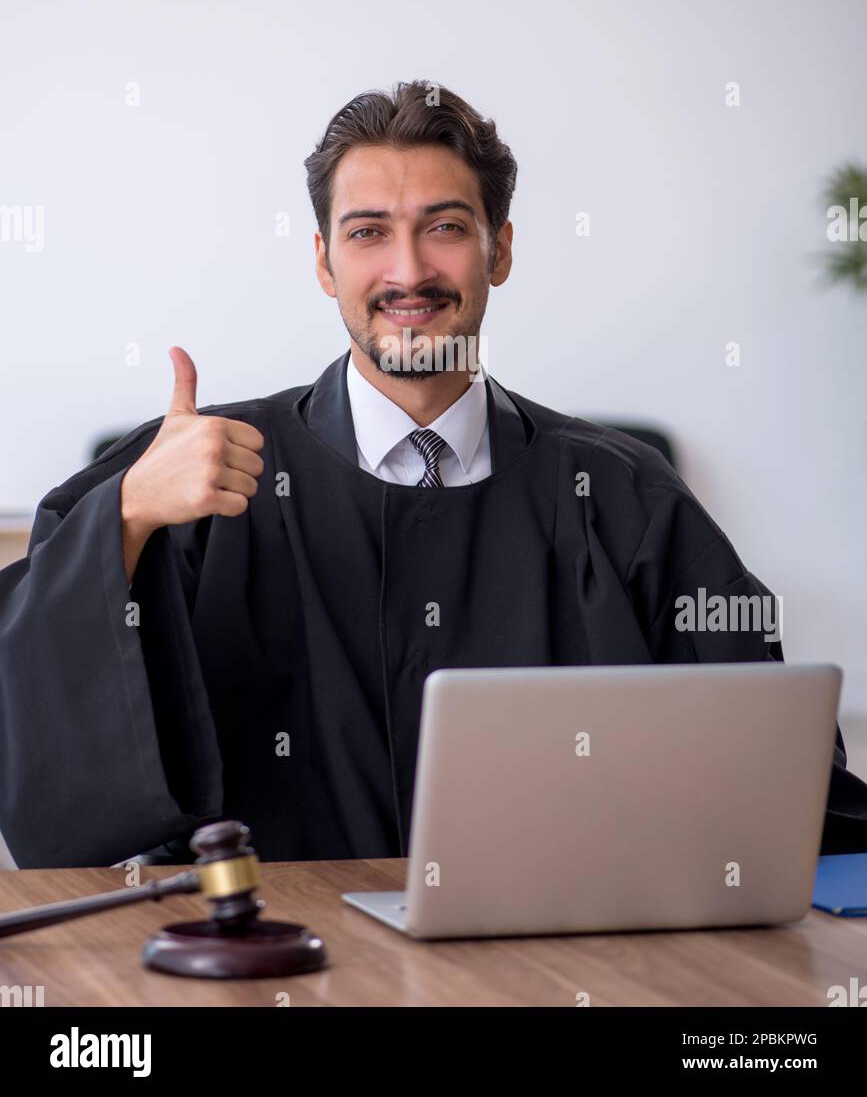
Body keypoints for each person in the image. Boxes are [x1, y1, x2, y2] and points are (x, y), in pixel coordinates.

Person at [2, 80, 866, 868]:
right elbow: (40, 716)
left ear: (500, 251)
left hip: (565, 956)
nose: (407, 270)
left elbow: (777, 757)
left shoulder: (622, 495)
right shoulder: (189, 471)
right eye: (368, 232)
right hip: (270, 958)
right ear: (322, 261)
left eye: (444, 228)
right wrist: (123, 520)